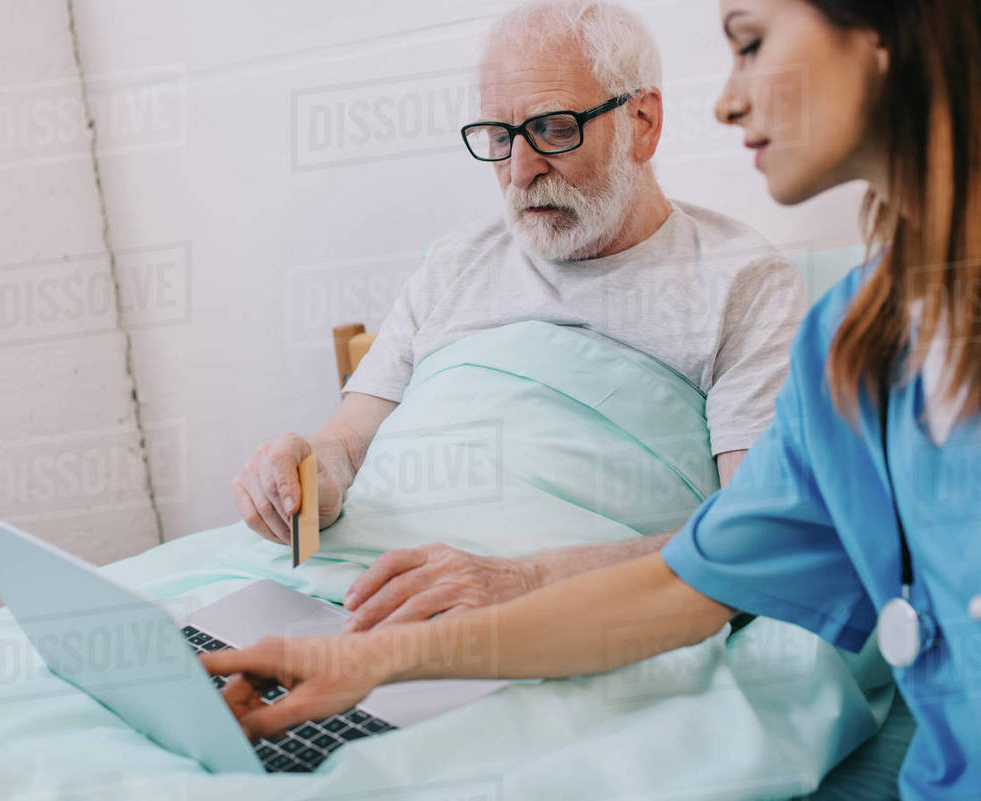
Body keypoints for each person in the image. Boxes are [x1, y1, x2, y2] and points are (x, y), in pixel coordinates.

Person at [204, 1, 981, 798]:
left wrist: (514, 580)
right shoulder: (855, 340)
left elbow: (717, 571)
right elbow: (697, 577)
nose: (725, 102)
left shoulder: (759, 293)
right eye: (500, 139)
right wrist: (364, 657)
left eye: (751, 43)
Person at [234, 0, 807, 631]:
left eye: (555, 129)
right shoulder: (454, 266)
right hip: (354, 589)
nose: (519, 169)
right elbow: (345, 442)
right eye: (499, 138)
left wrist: (524, 583)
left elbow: (753, 537)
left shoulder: (742, 283)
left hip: (562, 620)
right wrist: (303, 472)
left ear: (643, 122)